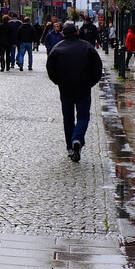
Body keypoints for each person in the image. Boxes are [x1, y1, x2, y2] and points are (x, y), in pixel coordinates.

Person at [46, 21, 104, 163]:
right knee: (83, 116)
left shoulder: (57, 49)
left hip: (65, 88)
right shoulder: (87, 47)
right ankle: (77, 138)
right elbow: (98, 67)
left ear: (63, 33)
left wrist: (58, 81)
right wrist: (91, 82)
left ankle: (70, 147)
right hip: (83, 87)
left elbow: (50, 68)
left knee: (68, 118)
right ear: (77, 32)